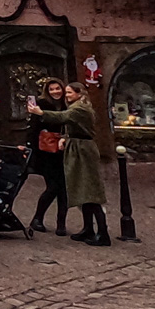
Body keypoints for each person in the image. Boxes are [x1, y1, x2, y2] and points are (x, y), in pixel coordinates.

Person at [27, 81, 109, 245]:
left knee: (89, 191)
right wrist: (65, 138)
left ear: (79, 93)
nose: (66, 95)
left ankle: (102, 233)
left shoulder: (79, 108)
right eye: (67, 93)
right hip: (75, 149)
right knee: (81, 189)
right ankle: (88, 229)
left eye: (69, 93)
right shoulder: (75, 106)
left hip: (83, 151)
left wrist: (40, 112)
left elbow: (63, 117)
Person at [26, 78, 71, 236]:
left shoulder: (68, 104)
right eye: (52, 89)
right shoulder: (42, 105)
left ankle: (61, 224)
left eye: (58, 88)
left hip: (64, 151)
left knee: (64, 189)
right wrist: (30, 148)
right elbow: (33, 128)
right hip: (46, 152)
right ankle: (37, 218)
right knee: (53, 187)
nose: (55, 92)